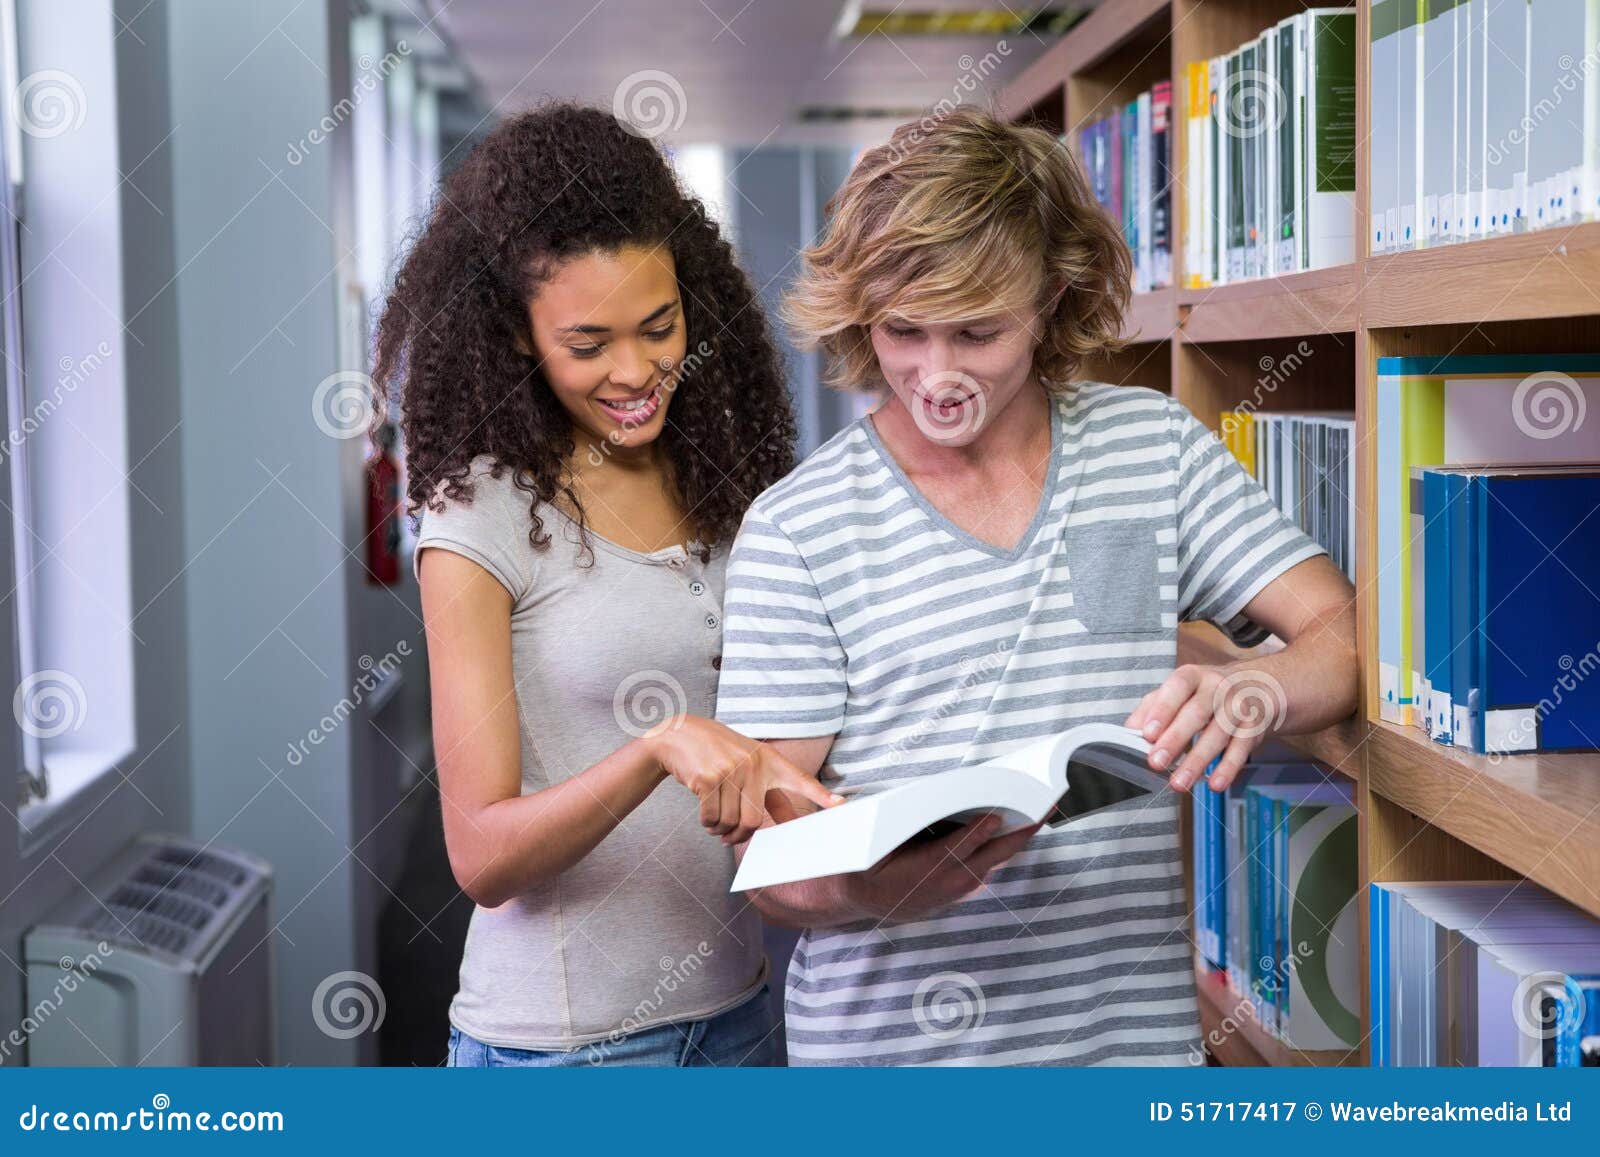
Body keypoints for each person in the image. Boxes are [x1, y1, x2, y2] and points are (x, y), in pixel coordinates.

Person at [714, 105, 1359, 1066]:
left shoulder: (1154, 447)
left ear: (1053, 297)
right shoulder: (798, 529)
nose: (937, 377)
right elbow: (766, 860)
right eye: (902, 330)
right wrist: (872, 889)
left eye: (977, 332)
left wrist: (1251, 687)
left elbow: (1344, 638)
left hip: (1134, 1054)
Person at [373, 103, 839, 1067]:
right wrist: (654, 748)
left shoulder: (719, 473)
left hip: (743, 1010)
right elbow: (481, 855)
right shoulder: (479, 516)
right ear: (515, 336)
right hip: (565, 1050)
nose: (637, 371)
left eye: (659, 327)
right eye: (589, 345)